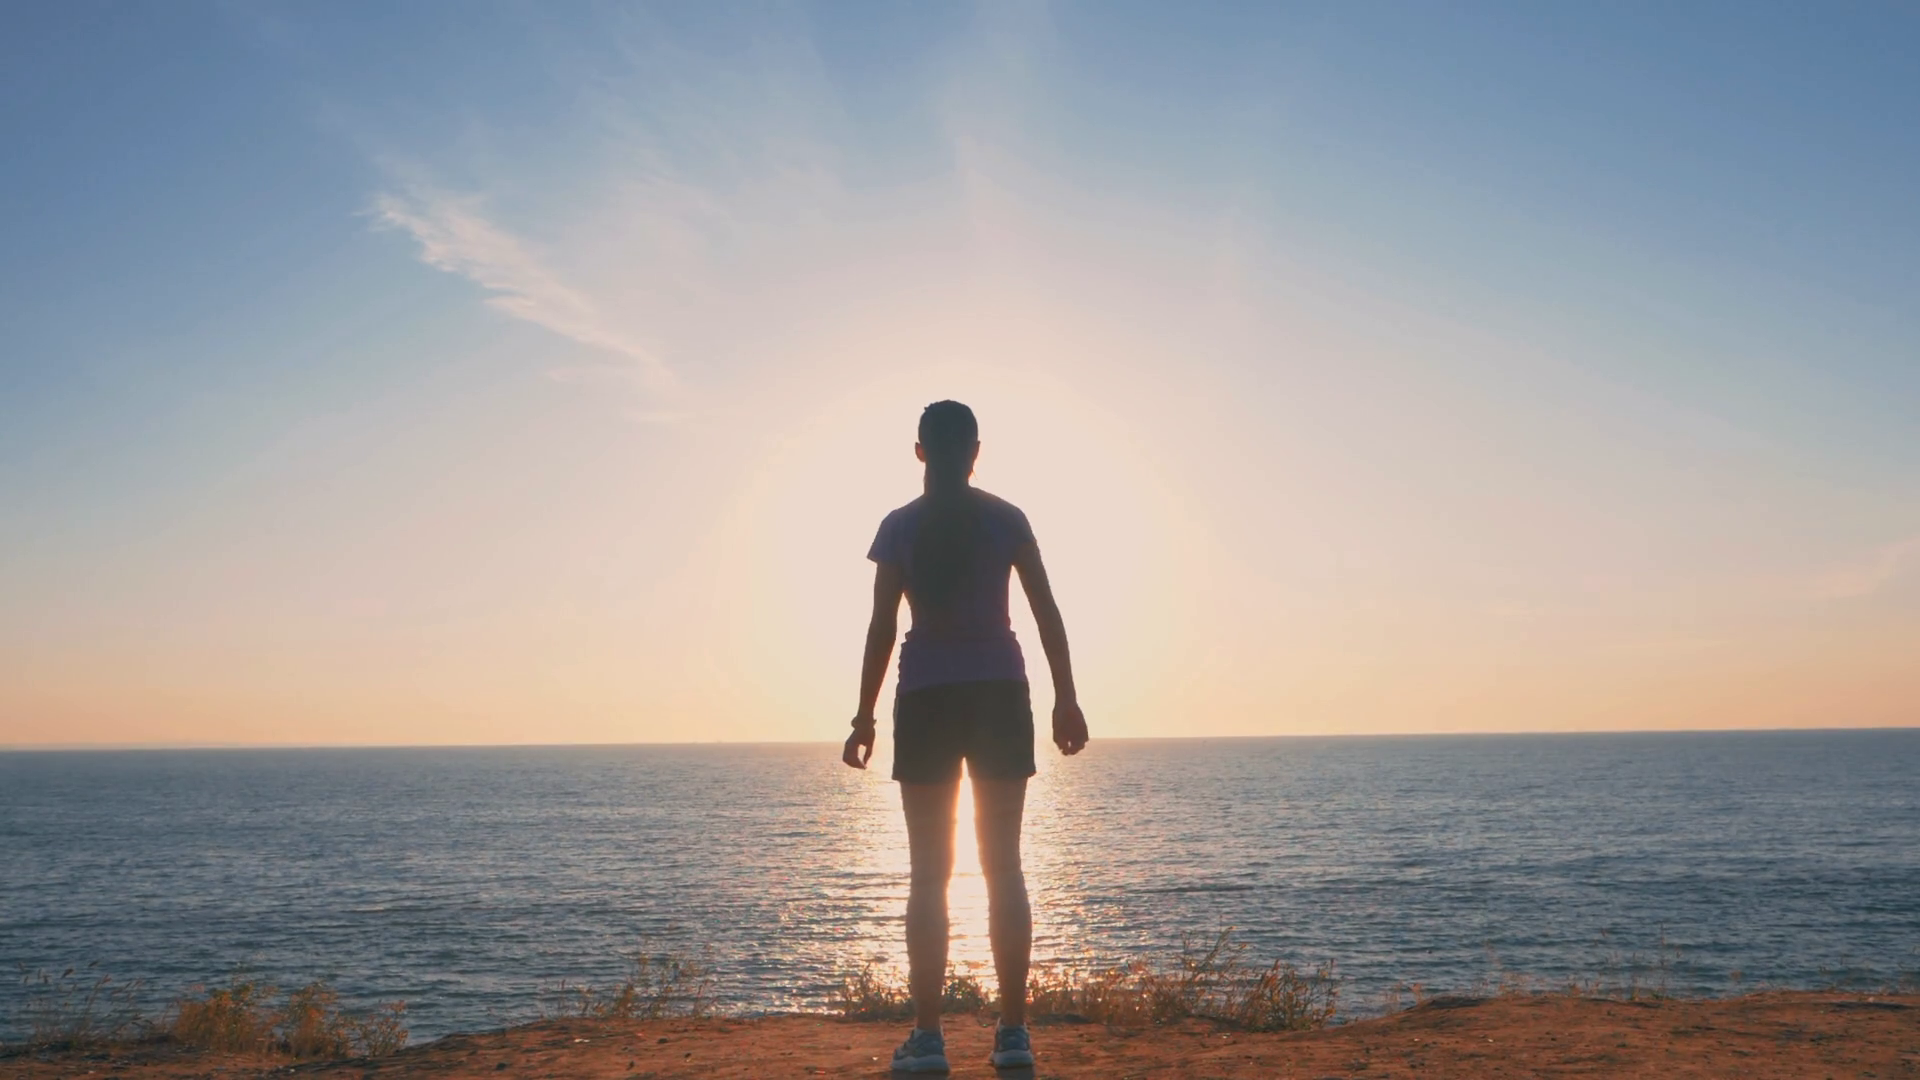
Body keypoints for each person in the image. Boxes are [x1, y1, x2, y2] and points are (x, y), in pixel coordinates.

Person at [843, 400, 1090, 1074]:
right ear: (975, 451)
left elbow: (881, 628)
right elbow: (1046, 612)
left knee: (929, 873)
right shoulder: (1007, 519)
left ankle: (928, 1039)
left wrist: (863, 717)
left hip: (926, 699)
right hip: (999, 695)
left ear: (920, 451)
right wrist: (1067, 699)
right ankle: (1013, 1035)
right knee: (1004, 866)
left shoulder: (899, 527)